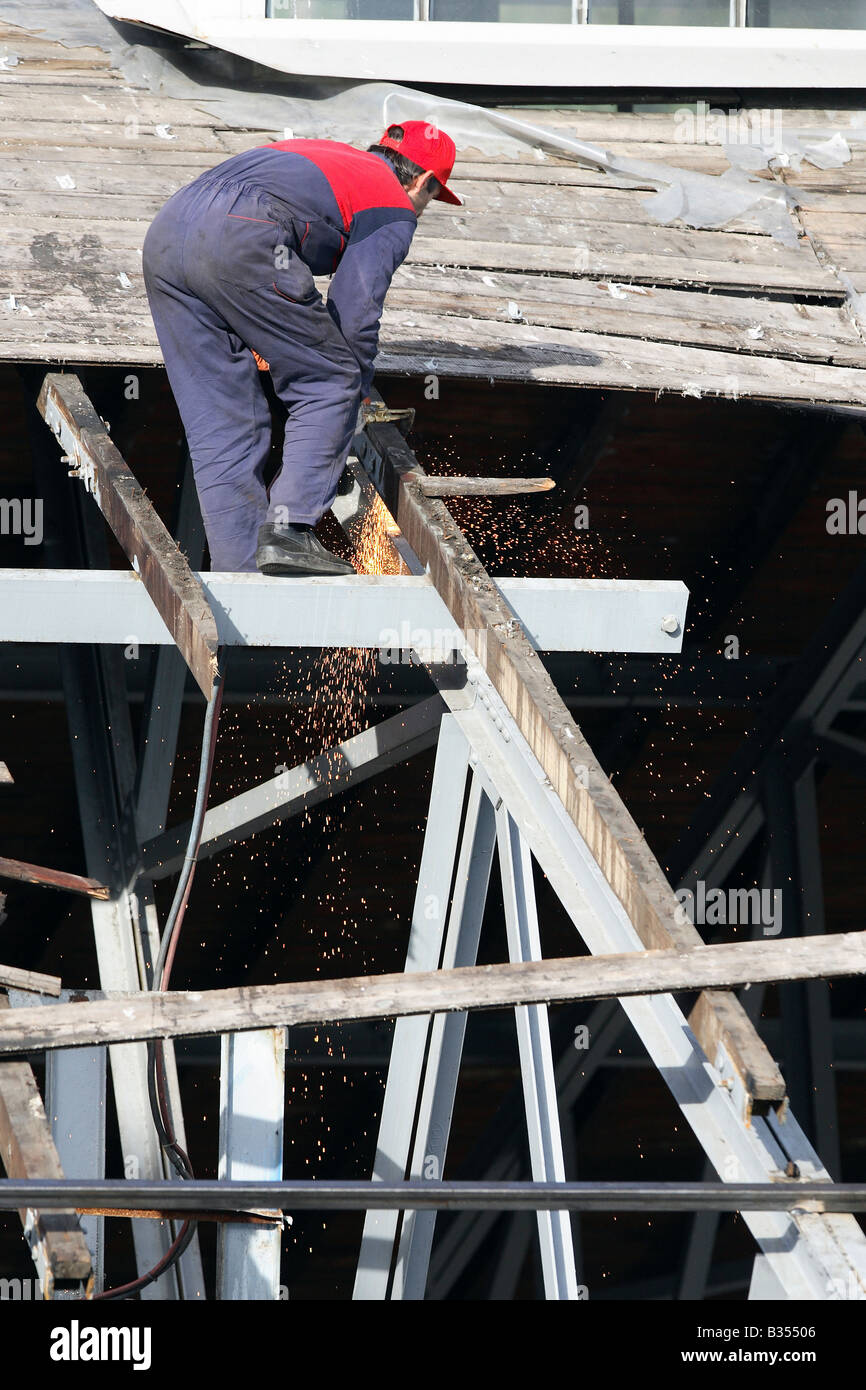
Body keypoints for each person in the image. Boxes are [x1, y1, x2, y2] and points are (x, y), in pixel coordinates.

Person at [142, 121, 461, 575]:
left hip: (168, 233)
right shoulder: (392, 204)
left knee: (221, 424)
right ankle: (289, 531)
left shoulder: (325, 154)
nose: (424, 209)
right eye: (432, 196)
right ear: (423, 181)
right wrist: (357, 394)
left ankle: (243, 579)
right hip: (242, 233)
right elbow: (355, 311)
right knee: (331, 380)